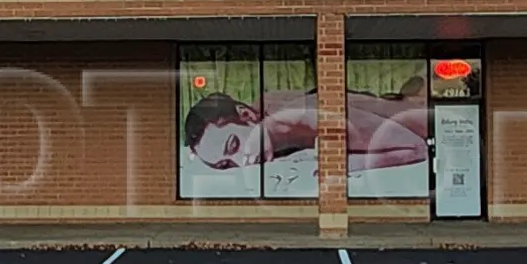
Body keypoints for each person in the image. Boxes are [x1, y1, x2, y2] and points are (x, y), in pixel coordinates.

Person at [181, 86, 429, 170]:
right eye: (226, 164)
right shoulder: (272, 111)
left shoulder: (303, 114)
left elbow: (417, 148)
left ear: (246, 115)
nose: (242, 162)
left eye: (234, 146)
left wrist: (344, 166)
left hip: (434, 122)